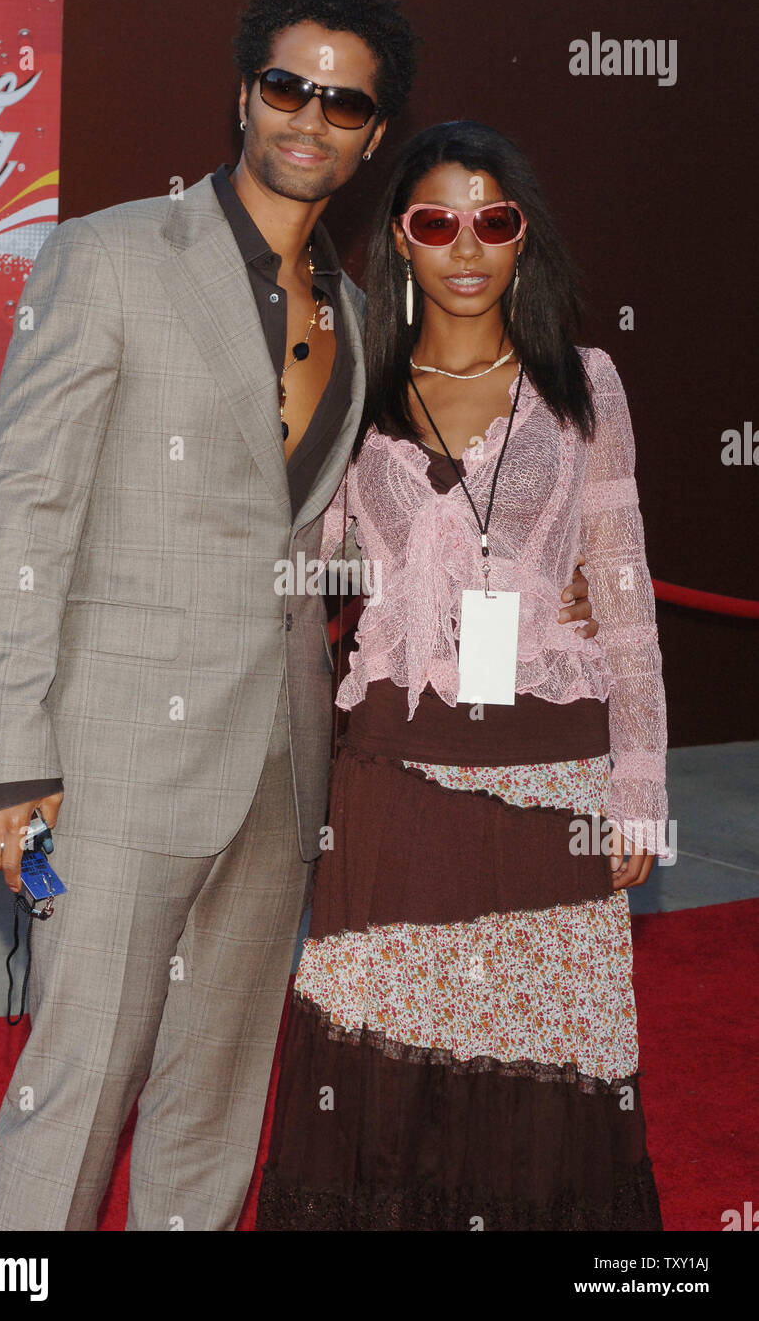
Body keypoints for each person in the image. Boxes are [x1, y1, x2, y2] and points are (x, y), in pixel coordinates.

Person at [0, 0, 596, 1232]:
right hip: (118, 758)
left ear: (368, 140)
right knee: (73, 1086)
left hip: (285, 759)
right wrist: (3, 752)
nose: (311, 117)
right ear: (246, 95)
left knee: (220, 1085)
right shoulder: (108, 257)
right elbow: (24, 516)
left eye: (345, 105)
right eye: (288, 87)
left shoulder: (361, 319)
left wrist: (530, 585)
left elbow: (340, 543)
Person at [255, 120, 669, 1231]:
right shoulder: (359, 388)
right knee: (381, 1042)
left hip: (552, 778)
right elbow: (308, 557)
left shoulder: (585, 385)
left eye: (494, 219)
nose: (467, 245)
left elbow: (622, 590)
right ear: (402, 240)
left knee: (547, 1043)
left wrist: (641, 783)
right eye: (436, 221)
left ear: (523, 235)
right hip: (393, 778)